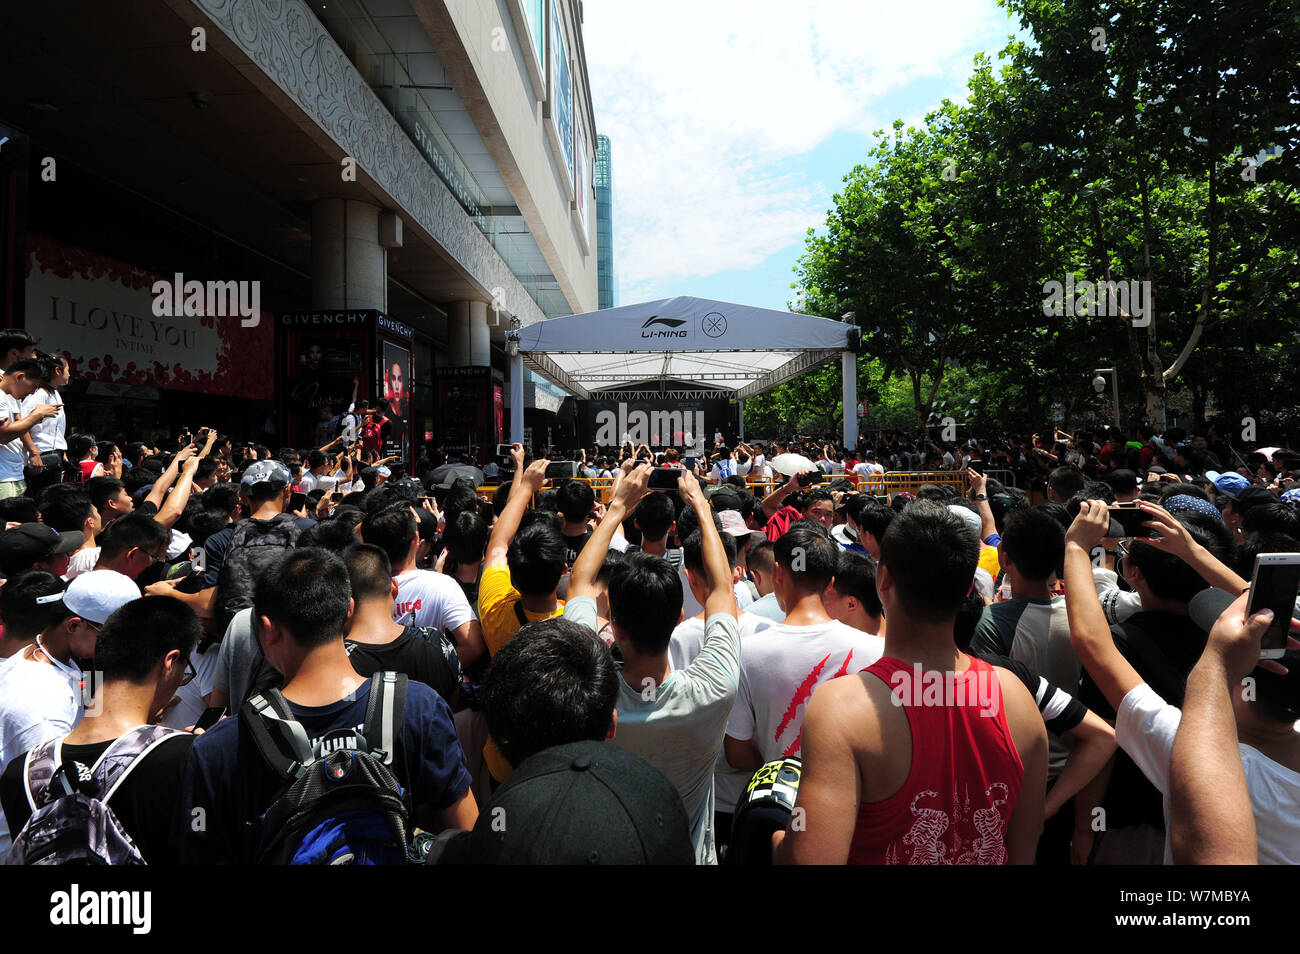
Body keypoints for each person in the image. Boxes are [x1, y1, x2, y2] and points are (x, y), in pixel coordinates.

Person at [773, 502, 1047, 865]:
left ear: (883, 579)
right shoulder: (1017, 698)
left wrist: (778, 839)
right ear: (968, 587)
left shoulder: (841, 709)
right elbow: (1025, 846)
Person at [171, 548, 478, 864]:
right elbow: (469, 836)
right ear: (349, 611)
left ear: (267, 628)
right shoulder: (419, 706)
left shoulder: (218, 748)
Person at [1066, 501, 1300, 864]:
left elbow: (1094, 645)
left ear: (1245, 678)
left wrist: (1077, 547)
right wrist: (1192, 552)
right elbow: (1262, 612)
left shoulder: (1195, 754)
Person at [565, 463, 740, 864]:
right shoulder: (714, 688)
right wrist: (699, 503)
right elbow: (721, 587)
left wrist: (615, 509)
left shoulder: (586, 689)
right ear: (679, 618)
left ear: (616, 628)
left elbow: (580, 583)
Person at [0, 596, 201, 865]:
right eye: (184, 672)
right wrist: (209, 754)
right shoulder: (189, 760)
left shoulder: (19, 773)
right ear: (170, 662)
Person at [0, 568, 140, 857]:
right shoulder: (40, 703)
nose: (117, 647)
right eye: (110, 636)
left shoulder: (61, 657)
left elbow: (91, 712)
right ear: (74, 625)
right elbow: (50, 797)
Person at [724, 523, 884, 772]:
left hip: (778, 803)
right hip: (851, 803)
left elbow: (737, 752)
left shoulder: (745, 652)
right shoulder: (875, 650)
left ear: (778, 572)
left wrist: (778, 765)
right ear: (830, 583)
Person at [360, 502, 482, 669]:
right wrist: (434, 676)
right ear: (416, 540)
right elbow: (472, 646)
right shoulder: (441, 585)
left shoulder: (354, 588)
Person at [342, 543, 460, 704]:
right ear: (394, 588)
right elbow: (453, 704)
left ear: (345, 603)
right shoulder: (436, 643)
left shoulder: (337, 660)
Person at [478, 447, 566, 658]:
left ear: (512, 573)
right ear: (564, 570)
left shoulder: (495, 610)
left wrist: (526, 485)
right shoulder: (577, 622)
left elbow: (498, 544)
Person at [0, 358, 59, 500]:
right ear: (20, 377)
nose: (32, 393)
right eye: (33, 386)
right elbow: (3, 436)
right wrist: (35, 415)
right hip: (4, 476)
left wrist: (35, 418)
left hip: (13, 473)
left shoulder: (7, 396)